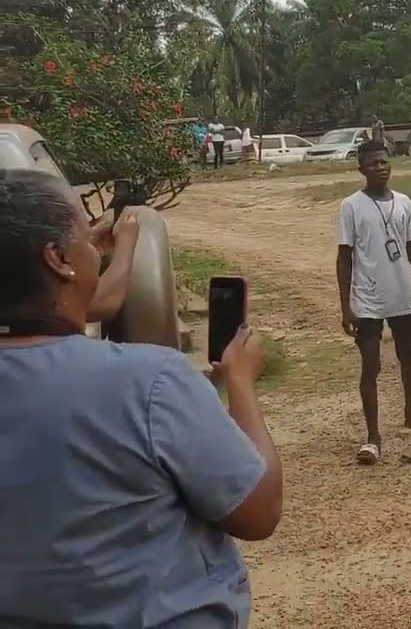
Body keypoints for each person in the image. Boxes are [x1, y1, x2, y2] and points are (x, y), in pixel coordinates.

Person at [0, 169, 282, 626]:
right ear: (58, 258)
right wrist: (241, 382)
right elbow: (258, 512)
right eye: (84, 237)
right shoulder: (148, 381)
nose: (94, 248)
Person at [337, 140, 411, 465]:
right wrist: (346, 307)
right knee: (370, 364)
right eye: (373, 163)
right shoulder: (351, 206)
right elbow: (344, 258)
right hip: (367, 300)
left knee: (408, 356)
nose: (380, 168)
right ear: (361, 169)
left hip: (401, 294)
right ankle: (373, 437)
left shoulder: (403, 202)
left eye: (384, 162)